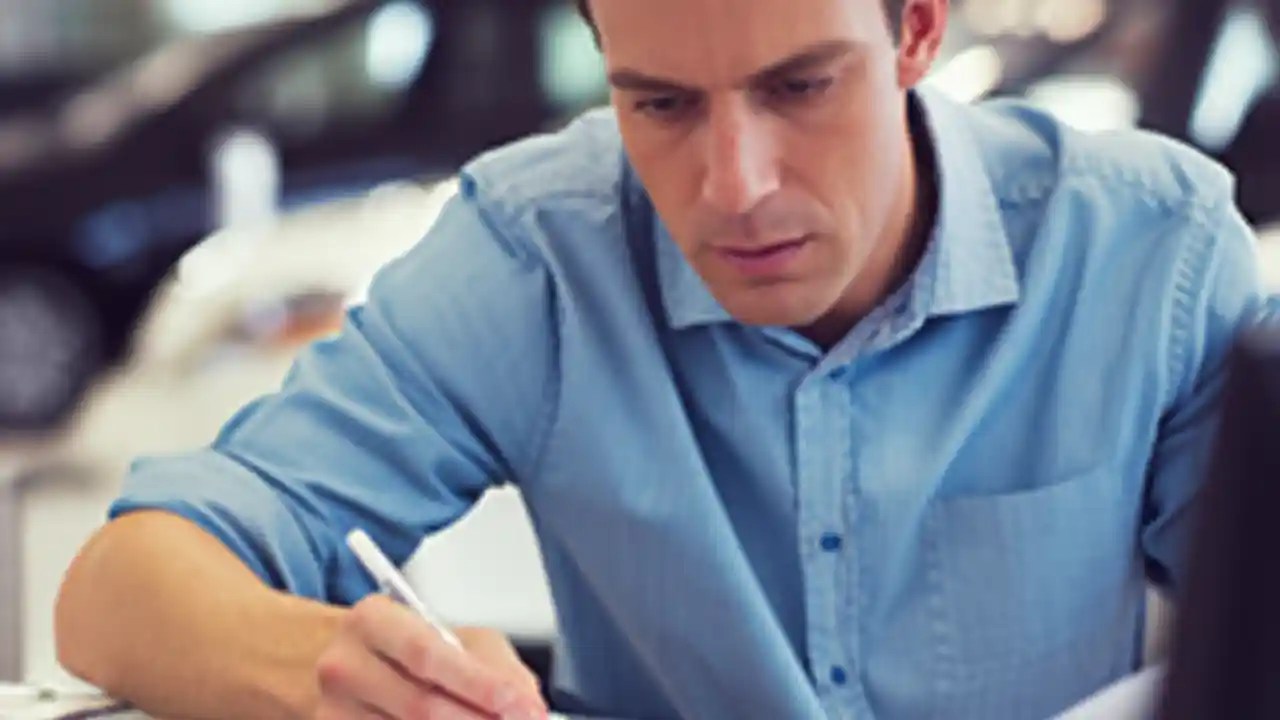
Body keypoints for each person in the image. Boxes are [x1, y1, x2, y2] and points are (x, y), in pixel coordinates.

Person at [54, 0, 1275, 718]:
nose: (732, 189)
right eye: (660, 106)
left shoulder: (1143, 250)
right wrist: (335, 681)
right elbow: (116, 589)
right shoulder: (537, 255)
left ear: (914, 30)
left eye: (797, 86)